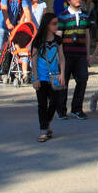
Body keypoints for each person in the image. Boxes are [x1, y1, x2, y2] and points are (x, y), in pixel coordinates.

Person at [56, 0, 93, 119]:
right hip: (66, 54)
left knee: (82, 80)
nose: (79, 0)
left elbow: (87, 35)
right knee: (63, 82)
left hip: (81, 54)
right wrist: (59, 55)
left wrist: (88, 54)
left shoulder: (85, 16)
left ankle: (77, 109)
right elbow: (59, 36)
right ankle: (61, 109)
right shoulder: (63, 16)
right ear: (69, 0)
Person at [31, 12, 65, 142]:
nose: (57, 26)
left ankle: (47, 122)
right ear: (47, 25)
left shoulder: (57, 40)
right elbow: (33, 60)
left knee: (55, 102)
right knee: (42, 104)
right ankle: (44, 130)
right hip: (41, 77)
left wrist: (62, 74)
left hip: (54, 77)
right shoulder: (38, 40)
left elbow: (61, 57)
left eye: (57, 23)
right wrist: (35, 78)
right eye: (54, 23)